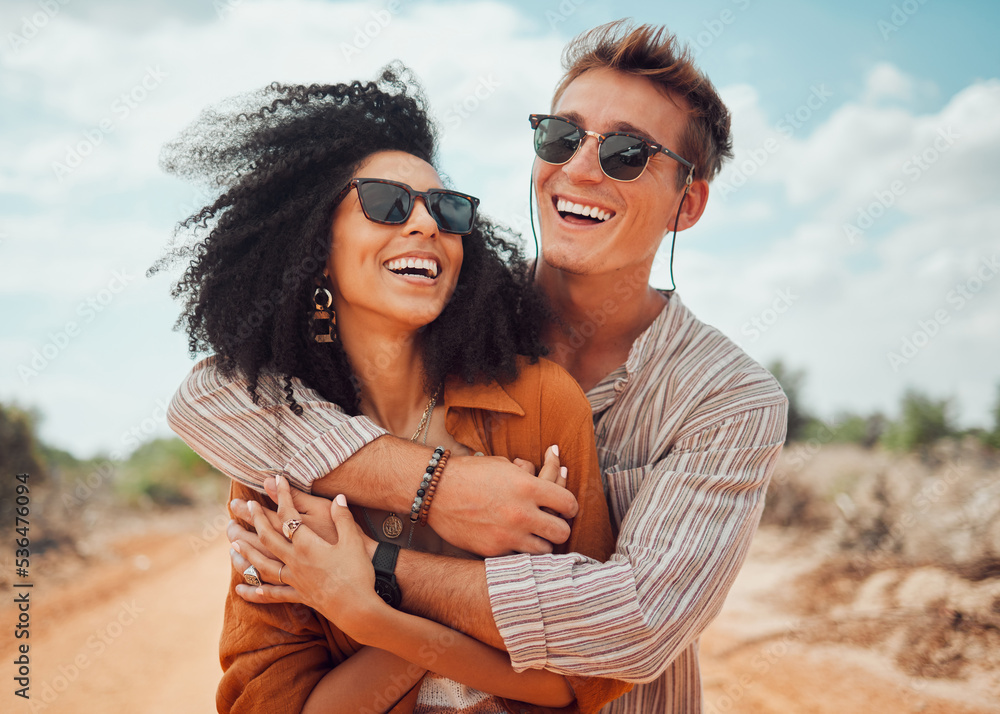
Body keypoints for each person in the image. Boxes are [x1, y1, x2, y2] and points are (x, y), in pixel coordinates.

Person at [170, 21, 788, 713]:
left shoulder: (730, 401)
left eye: (625, 153)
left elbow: (633, 627)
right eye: (561, 137)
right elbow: (205, 398)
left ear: (688, 203)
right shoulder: (448, 322)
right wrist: (443, 489)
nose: (579, 168)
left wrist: (377, 573)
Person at [160, 68, 629, 713]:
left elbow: (581, 678)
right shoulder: (276, 455)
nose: (425, 224)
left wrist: (369, 601)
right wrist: (449, 568)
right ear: (316, 245)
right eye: (386, 202)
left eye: (447, 208)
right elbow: (274, 703)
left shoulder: (541, 404)